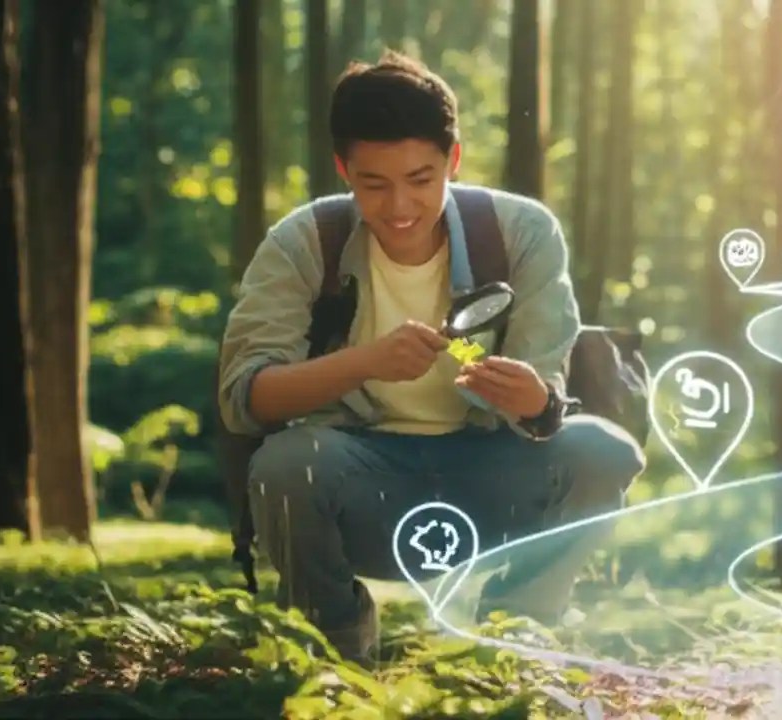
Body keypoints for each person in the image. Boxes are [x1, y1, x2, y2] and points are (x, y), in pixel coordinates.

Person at [216, 50, 645, 666]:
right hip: (362, 480)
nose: (399, 208)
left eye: (421, 179)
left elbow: (547, 398)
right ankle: (336, 642)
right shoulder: (305, 242)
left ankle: (514, 635)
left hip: (492, 471)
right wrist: (363, 362)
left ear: (454, 160)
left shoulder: (520, 232)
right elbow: (244, 400)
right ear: (344, 169)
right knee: (286, 465)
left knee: (605, 451)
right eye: (374, 184)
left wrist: (533, 400)